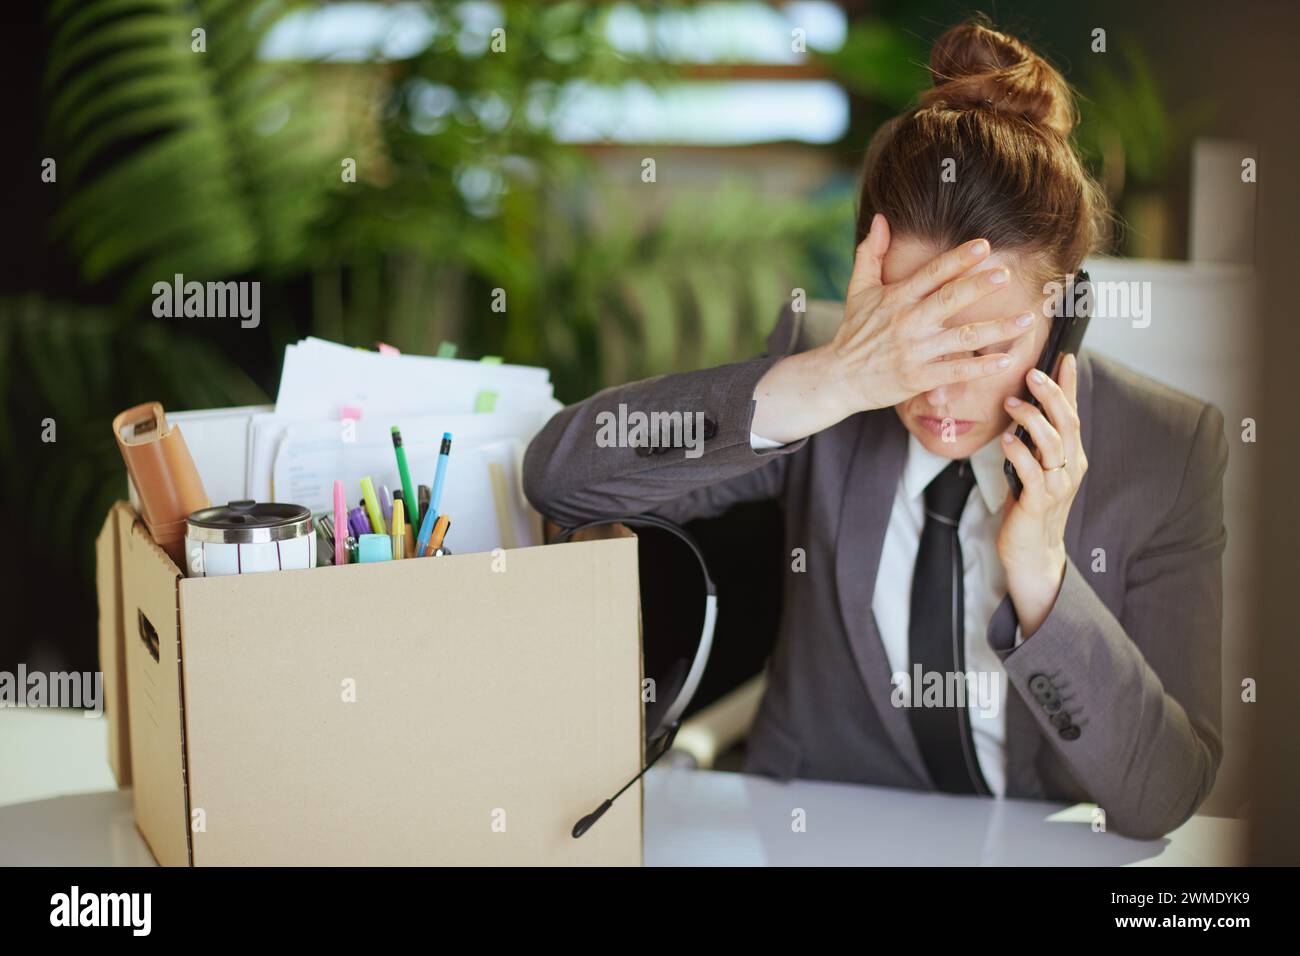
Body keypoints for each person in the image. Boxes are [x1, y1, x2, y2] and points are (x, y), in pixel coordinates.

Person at [522, 20, 1226, 839]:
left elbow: (1167, 796)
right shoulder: (827, 376)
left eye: (987, 345)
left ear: (1065, 319)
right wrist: (833, 379)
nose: (939, 386)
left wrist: (1042, 574)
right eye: (909, 328)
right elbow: (559, 474)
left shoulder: (1171, 453)